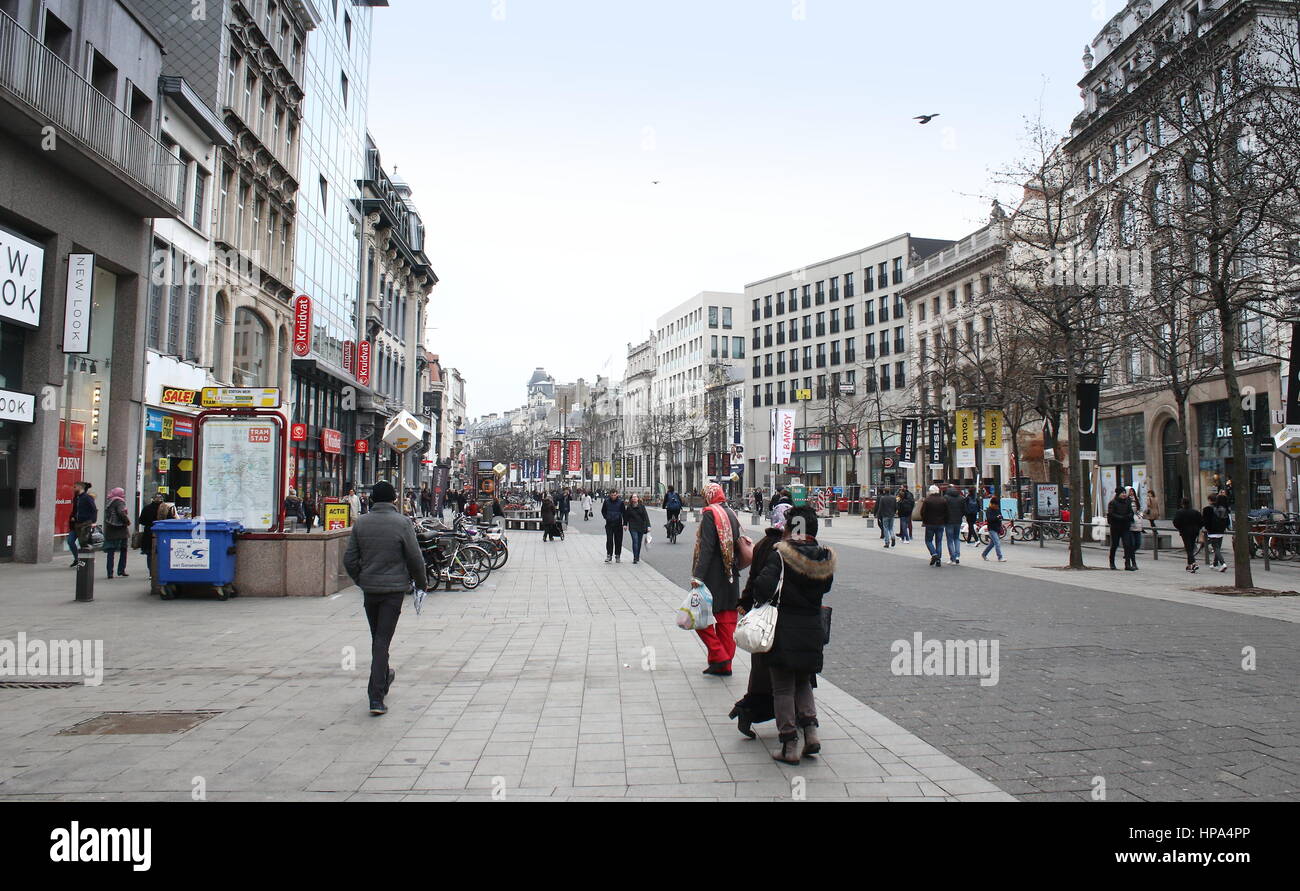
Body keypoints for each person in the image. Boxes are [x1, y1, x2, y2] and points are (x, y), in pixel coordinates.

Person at [746, 505, 836, 764]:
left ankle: (789, 745)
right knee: (804, 682)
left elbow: (761, 589)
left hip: (783, 630)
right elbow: (825, 587)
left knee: (783, 687)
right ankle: (811, 733)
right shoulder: (823, 557)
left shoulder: (781, 555)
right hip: (812, 630)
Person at [343, 480, 428, 716]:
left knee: (378, 637)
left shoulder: (362, 523)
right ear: (393, 499)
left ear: (371, 500)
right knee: (382, 639)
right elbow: (414, 557)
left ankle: (384, 675)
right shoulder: (402, 523)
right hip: (393, 591)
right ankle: (376, 696)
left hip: (370, 590)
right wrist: (421, 584)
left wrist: (361, 579)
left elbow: (349, 559)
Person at [729, 523, 785, 739]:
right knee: (781, 675)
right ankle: (751, 709)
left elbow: (753, 577)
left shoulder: (762, 544)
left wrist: (745, 601)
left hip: (763, 619)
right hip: (778, 620)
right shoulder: (783, 548)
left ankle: (748, 708)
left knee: (762, 672)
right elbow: (762, 582)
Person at [693, 482, 742, 677]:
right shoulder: (731, 512)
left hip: (713, 575)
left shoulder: (709, 514)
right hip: (731, 573)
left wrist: (698, 576)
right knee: (727, 620)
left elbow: (707, 548)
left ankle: (718, 655)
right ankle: (724, 665)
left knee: (699, 617)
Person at [102, 487, 131, 578]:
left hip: (110, 528)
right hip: (120, 529)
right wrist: (127, 521)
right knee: (123, 550)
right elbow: (121, 512)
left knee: (111, 551)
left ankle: (110, 572)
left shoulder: (110, 501)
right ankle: (121, 570)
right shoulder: (120, 501)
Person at [67, 481, 97, 568]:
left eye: (75, 487)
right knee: (70, 541)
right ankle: (77, 559)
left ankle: (87, 559)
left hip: (85, 523)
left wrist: (92, 521)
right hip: (75, 524)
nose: (73, 489)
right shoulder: (76, 498)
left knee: (83, 543)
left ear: (80, 488)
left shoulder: (87, 498)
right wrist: (73, 517)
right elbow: (75, 510)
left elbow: (94, 510)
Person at [1106, 487, 1137, 571]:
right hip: (1116, 527)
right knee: (1114, 545)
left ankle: (1128, 564)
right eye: (1122, 493)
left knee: (1127, 545)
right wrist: (1122, 518)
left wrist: (1129, 516)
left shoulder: (1127, 502)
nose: (1124, 494)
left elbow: (1131, 512)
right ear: (1118, 494)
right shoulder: (1113, 503)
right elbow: (1111, 514)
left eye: (1124, 493)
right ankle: (1112, 562)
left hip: (1125, 527)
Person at [137, 493, 166, 576]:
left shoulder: (147, 508)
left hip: (149, 533)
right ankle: (160, 571)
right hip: (162, 533)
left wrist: (149, 524)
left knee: (150, 554)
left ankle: (151, 572)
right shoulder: (165, 509)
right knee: (161, 553)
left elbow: (141, 521)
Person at [1172, 498, 1204, 573]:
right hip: (1194, 531)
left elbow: (1175, 522)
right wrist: (1197, 528)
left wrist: (1180, 528)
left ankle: (1193, 563)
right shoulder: (1195, 512)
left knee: (1188, 548)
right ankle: (1190, 565)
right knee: (1191, 547)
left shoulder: (1180, 512)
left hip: (1185, 532)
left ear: (1182, 504)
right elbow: (1201, 522)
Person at [920, 484, 948, 567]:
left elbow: (922, 512)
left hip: (929, 523)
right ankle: (938, 559)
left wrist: (924, 520)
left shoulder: (927, 500)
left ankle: (934, 554)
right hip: (940, 523)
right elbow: (947, 512)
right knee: (938, 542)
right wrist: (945, 520)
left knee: (928, 541)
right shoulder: (943, 500)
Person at [1203, 493, 1231, 573]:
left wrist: (1205, 528)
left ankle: (1223, 563)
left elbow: (1206, 521)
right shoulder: (1224, 509)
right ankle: (1215, 564)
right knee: (1218, 546)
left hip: (1212, 530)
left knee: (1215, 548)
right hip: (1221, 530)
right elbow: (1227, 521)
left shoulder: (1208, 509)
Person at [624, 493, 650, 564]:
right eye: (633, 497)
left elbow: (646, 517)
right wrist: (625, 525)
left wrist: (648, 526)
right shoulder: (629, 507)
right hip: (632, 526)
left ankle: (637, 555)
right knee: (635, 541)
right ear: (631, 499)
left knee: (639, 542)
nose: (634, 498)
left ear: (638, 498)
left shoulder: (642, 506)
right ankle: (635, 557)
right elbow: (626, 517)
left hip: (641, 526)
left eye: (636, 497)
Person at [602, 489, 627, 563]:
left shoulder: (621, 502)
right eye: (612, 495)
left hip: (618, 524)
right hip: (609, 524)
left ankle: (617, 555)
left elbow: (624, 513)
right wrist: (606, 517)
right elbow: (603, 511)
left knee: (618, 540)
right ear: (610, 495)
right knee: (609, 540)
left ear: (617, 495)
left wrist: (625, 524)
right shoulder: (606, 501)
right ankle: (609, 555)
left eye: (615, 495)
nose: (613, 496)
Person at [943, 484, 965, 565]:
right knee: (956, 538)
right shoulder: (961, 498)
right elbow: (963, 509)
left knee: (950, 540)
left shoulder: (946, 498)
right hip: (958, 521)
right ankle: (957, 556)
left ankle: (952, 557)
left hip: (948, 521)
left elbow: (943, 509)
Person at [981, 497, 1007, 562]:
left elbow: (1001, 516)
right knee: (997, 542)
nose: (996, 506)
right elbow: (989, 519)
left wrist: (1000, 517)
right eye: (995, 504)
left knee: (992, 544)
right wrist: (997, 517)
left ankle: (984, 554)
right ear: (992, 504)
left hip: (997, 528)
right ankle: (1000, 557)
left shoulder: (997, 509)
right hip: (991, 529)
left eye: (997, 505)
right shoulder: (989, 510)